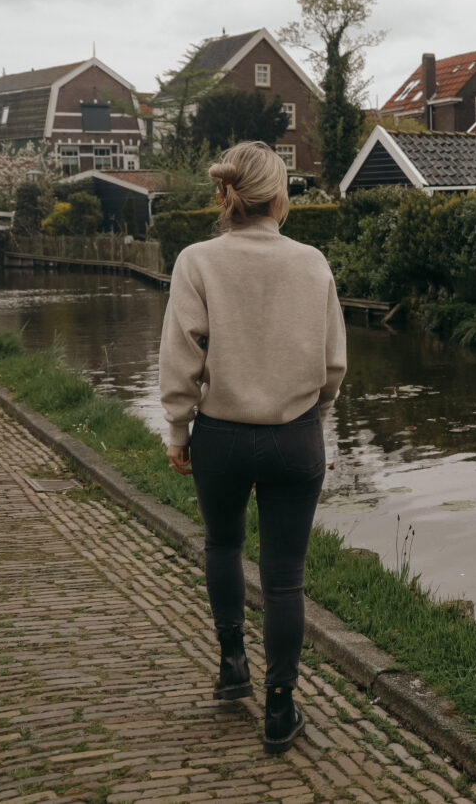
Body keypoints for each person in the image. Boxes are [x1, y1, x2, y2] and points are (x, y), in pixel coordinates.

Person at [158, 141, 346, 755]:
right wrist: (314, 414)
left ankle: (233, 663)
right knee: (286, 579)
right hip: (295, 437)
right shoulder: (313, 263)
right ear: (279, 197)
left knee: (222, 544)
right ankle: (280, 706)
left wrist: (179, 429)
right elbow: (333, 363)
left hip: (223, 436)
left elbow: (181, 356)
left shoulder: (197, 260)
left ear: (226, 195)